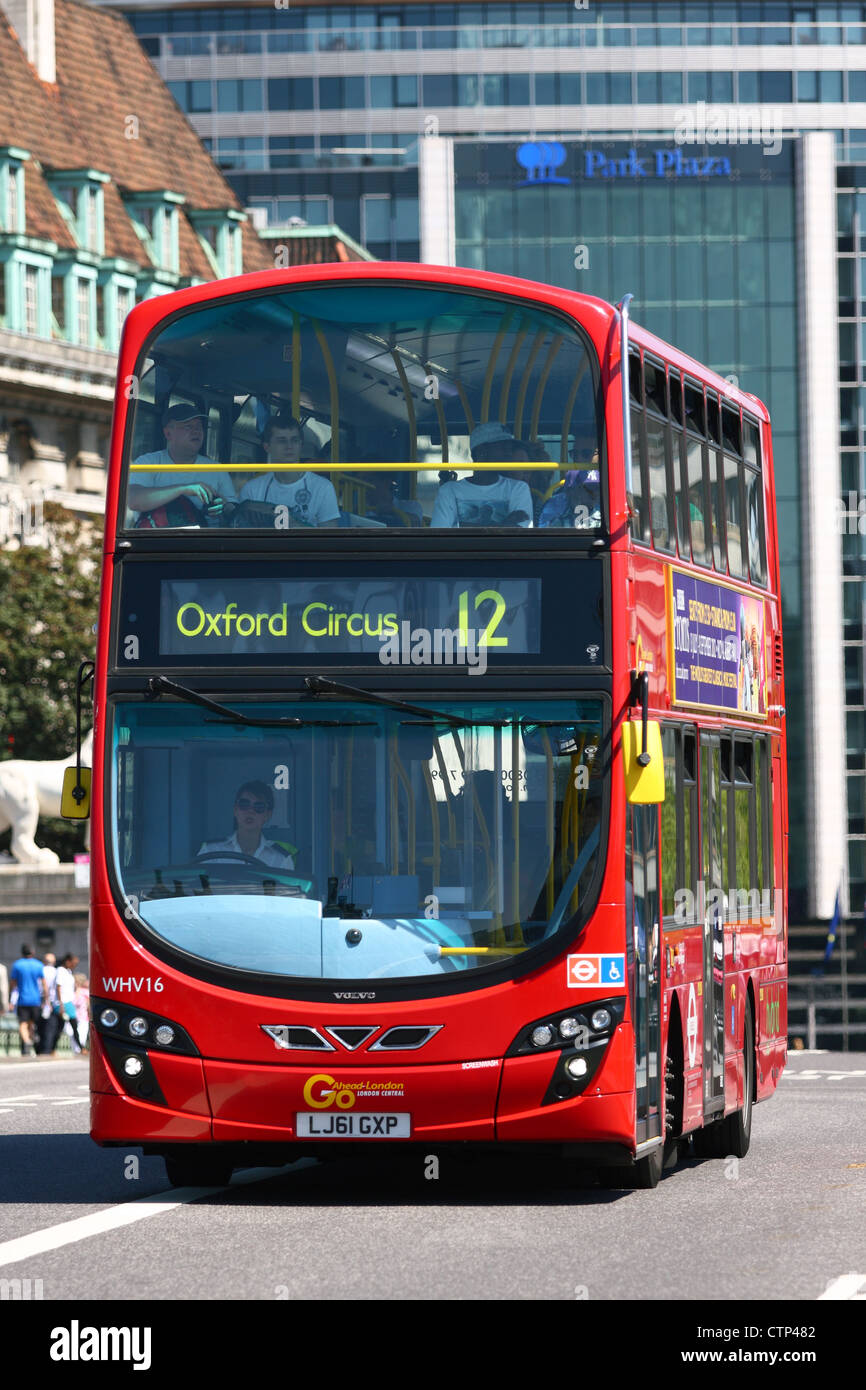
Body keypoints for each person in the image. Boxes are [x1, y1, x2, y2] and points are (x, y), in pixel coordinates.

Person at [128, 404, 236, 526]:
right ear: (168, 433)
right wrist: (183, 489)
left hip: (206, 542)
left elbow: (235, 514)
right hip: (155, 540)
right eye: (188, 426)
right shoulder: (148, 462)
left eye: (199, 426)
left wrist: (224, 506)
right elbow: (133, 500)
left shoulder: (217, 470)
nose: (196, 431)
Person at [237, 414, 340, 527]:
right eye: (282, 441)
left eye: (294, 440)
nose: (289, 446)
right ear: (267, 447)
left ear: (301, 445)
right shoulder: (252, 489)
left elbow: (329, 539)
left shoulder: (323, 488)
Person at [430, 422, 533, 528]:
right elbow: (441, 533)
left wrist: (462, 526)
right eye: (503, 448)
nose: (509, 454)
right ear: (482, 451)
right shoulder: (449, 490)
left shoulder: (518, 488)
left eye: (510, 449)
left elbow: (521, 535)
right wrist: (505, 524)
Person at [199, 780, 294, 869]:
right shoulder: (211, 851)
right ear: (235, 810)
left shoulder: (281, 859)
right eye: (244, 804)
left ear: (268, 815)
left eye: (259, 807)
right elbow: (198, 884)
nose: (250, 811)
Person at [10, 944, 45, 1056]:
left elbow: (13, 983)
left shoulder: (17, 965)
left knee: (23, 1023)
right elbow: (44, 984)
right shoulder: (39, 964)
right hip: (35, 999)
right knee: (31, 1023)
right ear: (33, 952)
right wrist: (46, 999)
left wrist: (11, 997)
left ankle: (26, 1042)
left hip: (23, 999)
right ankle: (29, 1042)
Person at [56, 953, 86, 1054]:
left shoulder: (68, 972)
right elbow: (58, 988)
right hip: (65, 1003)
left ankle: (52, 1048)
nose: (75, 965)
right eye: (74, 963)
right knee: (73, 1025)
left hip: (69, 1002)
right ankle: (81, 1048)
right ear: (68, 962)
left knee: (61, 1027)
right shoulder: (60, 971)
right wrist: (61, 1004)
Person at [36, 950, 61, 1057]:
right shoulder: (56, 971)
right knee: (50, 1027)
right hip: (52, 1002)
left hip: (38, 1001)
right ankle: (47, 1049)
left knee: (39, 1027)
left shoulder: (40, 970)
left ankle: (39, 1049)